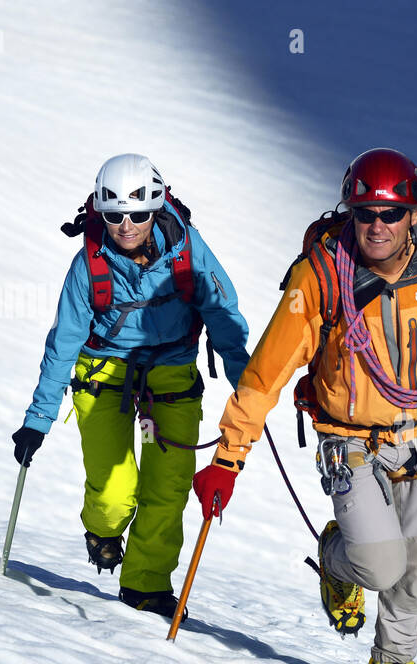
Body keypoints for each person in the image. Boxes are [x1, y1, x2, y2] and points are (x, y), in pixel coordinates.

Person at [192, 148, 417, 664]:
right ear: (350, 211)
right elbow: (268, 371)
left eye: (390, 214)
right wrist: (227, 458)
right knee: (381, 566)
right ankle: (336, 557)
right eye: (364, 214)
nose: (376, 226)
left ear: (413, 214)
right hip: (350, 439)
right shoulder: (320, 276)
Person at [13, 153, 250, 619]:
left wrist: (250, 390)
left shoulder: (189, 250)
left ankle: (145, 585)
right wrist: (37, 421)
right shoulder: (89, 264)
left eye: (138, 215)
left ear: (156, 209)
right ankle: (102, 530)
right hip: (104, 378)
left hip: (173, 377)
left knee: (170, 487)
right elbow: (64, 341)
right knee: (114, 492)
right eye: (116, 215)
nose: (126, 226)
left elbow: (224, 316)